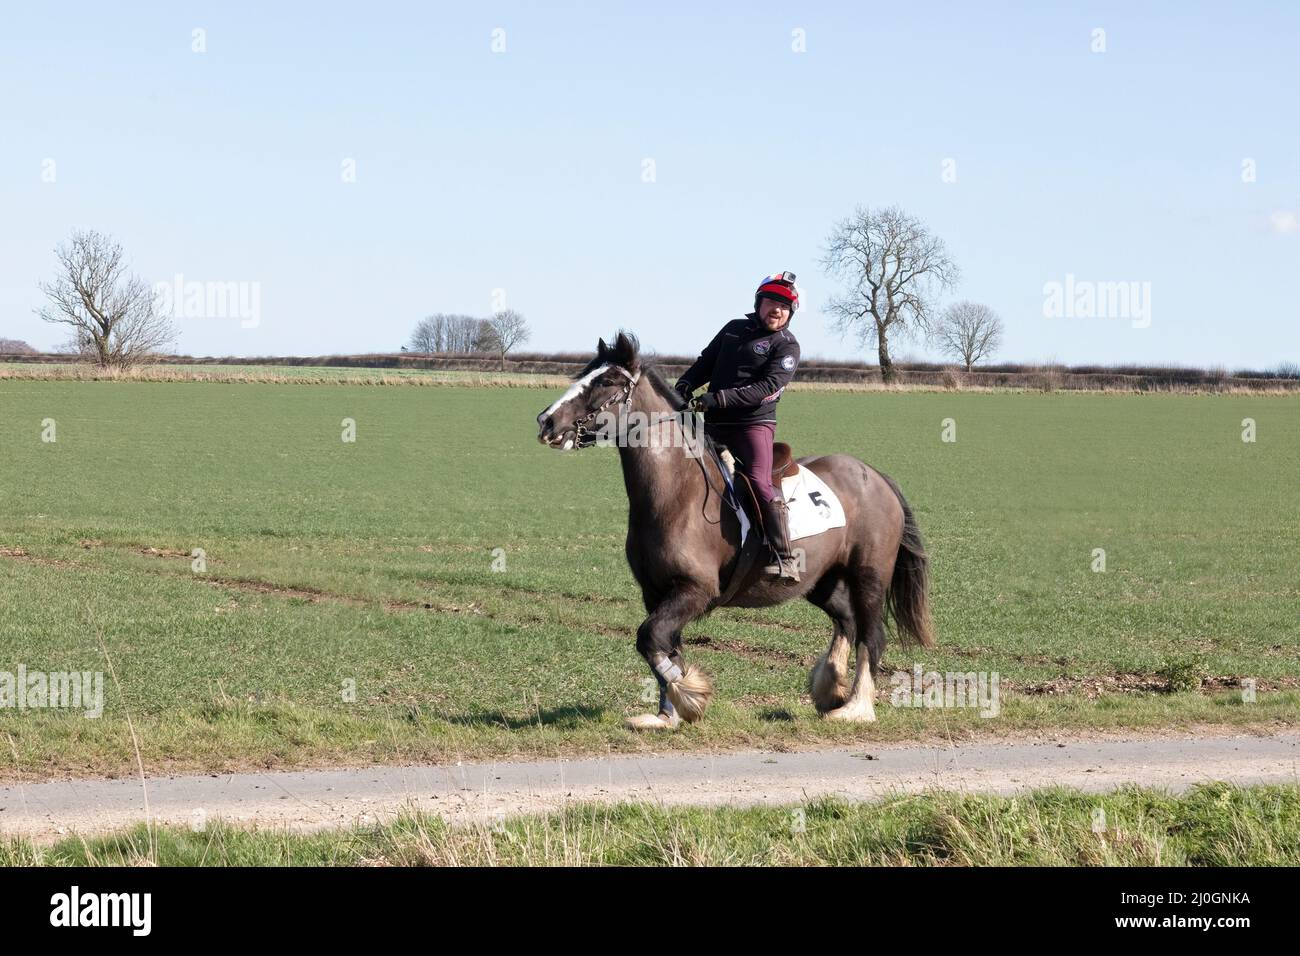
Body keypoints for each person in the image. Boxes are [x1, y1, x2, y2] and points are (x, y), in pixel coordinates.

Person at [675, 272, 802, 582]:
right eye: (772, 302)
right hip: (714, 423)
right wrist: (685, 383)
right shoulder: (733, 329)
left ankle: (785, 556)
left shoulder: (787, 346)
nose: (777, 310)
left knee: (760, 481)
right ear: (759, 303)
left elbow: (768, 387)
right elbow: (707, 360)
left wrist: (720, 398)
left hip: (752, 426)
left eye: (785, 307)